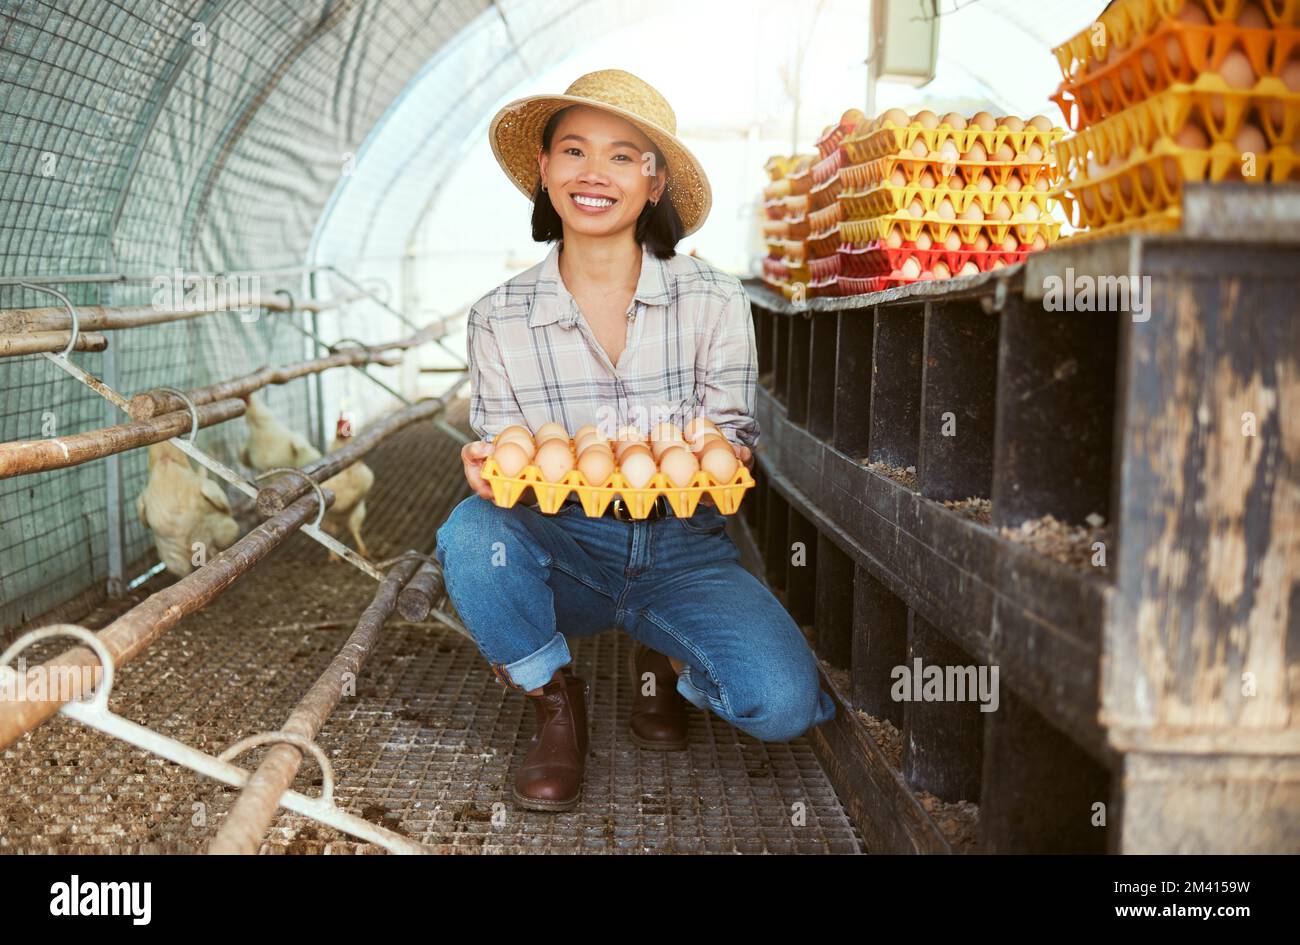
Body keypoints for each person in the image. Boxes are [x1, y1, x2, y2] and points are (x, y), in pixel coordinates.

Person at [436, 69, 835, 813]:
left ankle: (667, 653)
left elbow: (725, 435)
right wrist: (489, 465)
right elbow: (513, 450)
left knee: (779, 702)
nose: (595, 173)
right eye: (574, 151)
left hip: (683, 543)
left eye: (624, 156)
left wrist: (718, 455)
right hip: (568, 546)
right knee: (473, 535)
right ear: (545, 172)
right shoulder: (499, 316)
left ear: (654, 183)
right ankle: (555, 701)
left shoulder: (712, 296)